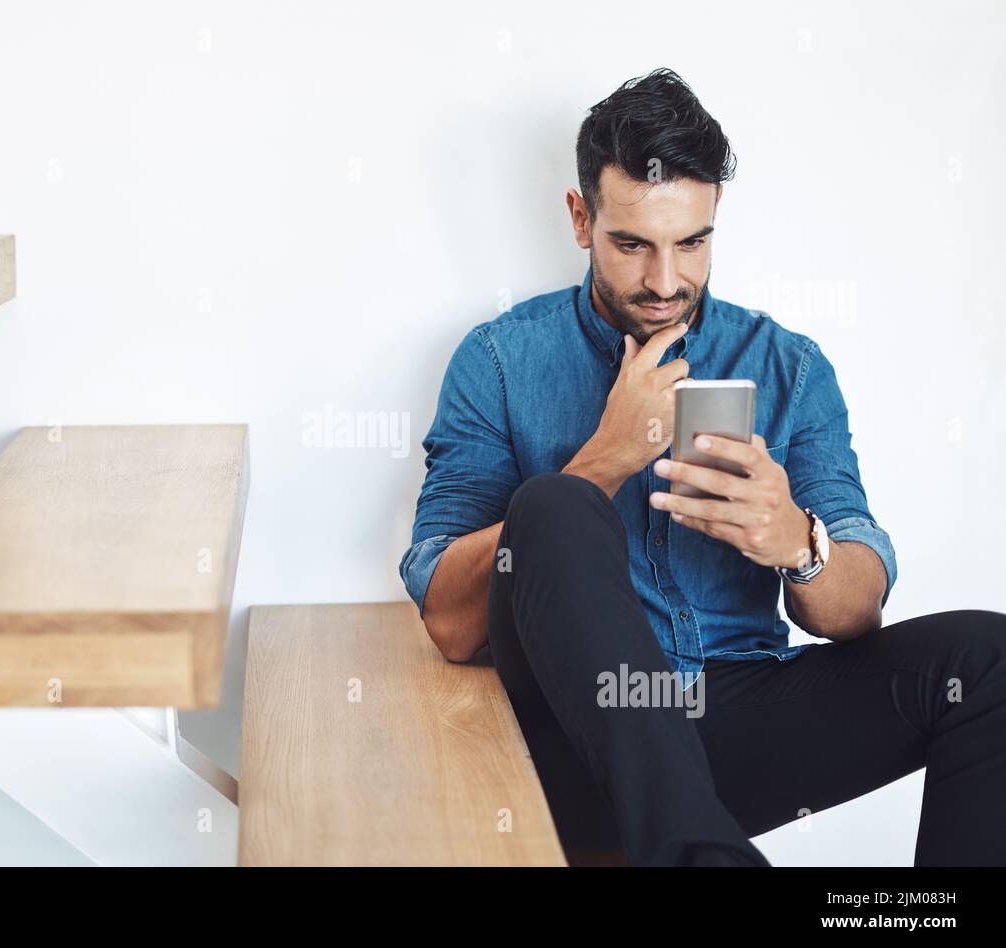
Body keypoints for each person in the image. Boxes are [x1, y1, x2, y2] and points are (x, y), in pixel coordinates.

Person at [399, 67, 1006, 866]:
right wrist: (607, 457)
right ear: (581, 219)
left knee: (990, 664)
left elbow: (855, 610)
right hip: (578, 731)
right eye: (632, 244)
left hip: (734, 708)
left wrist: (798, 542)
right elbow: (448, 621)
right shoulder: (500, 362)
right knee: (552, 505)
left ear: (717, 218)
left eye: (692, 242)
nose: (665, 280)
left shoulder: (787, 366)